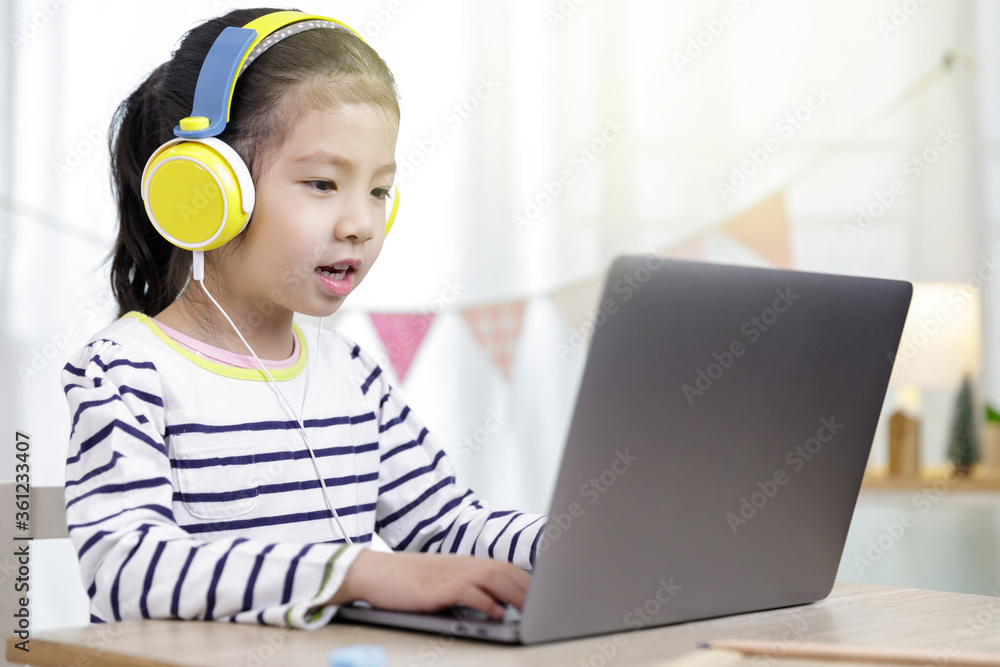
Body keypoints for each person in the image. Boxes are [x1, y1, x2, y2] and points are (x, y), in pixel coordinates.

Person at [62, 7, 546, 629]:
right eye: (323, 183)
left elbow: (447, 525)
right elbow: (127, 573)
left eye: (378, 190)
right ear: (208, 190)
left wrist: (584, 545)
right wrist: (355, 571)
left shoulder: (351, 375)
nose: (361, 223)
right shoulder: (125, 371)